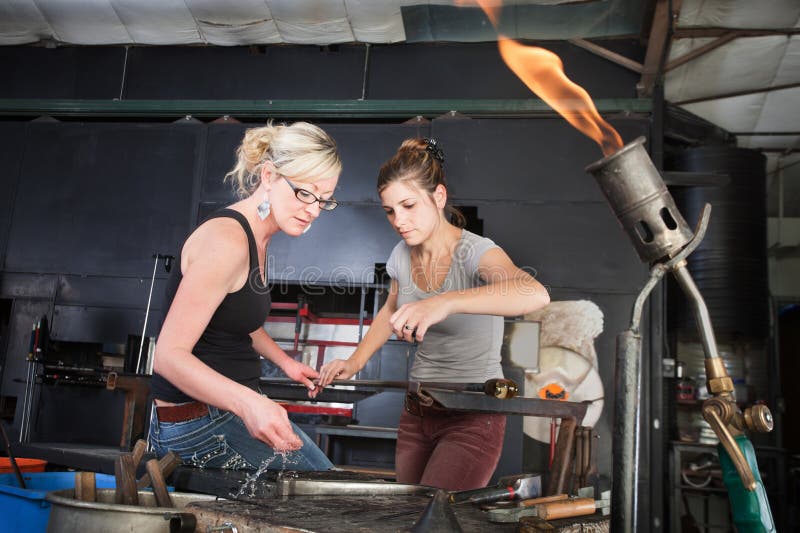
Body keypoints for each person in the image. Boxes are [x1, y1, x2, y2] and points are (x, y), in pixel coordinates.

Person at [316, 138, 550, 490]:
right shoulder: (400, 254)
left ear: (438, 197)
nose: (399, 220)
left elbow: (534, 293)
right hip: (418, 409)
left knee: (435, 518)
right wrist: (354, 361)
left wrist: (445, 301)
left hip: (472, 412)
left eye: (409, 206)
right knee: (410, 514)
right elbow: (391, 309)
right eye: (390, 211)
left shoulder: (474, 251)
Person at [149, 121, 340, 471]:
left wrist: (286, 363)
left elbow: (237, 320)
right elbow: (167, 357)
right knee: (331, 496)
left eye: (324, 201)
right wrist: (249, 404)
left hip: (222, 413)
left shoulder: (260, 238)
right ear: (269, 176)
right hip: (196, 424)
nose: (313, 210)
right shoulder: (227, 241)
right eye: (305, 193)